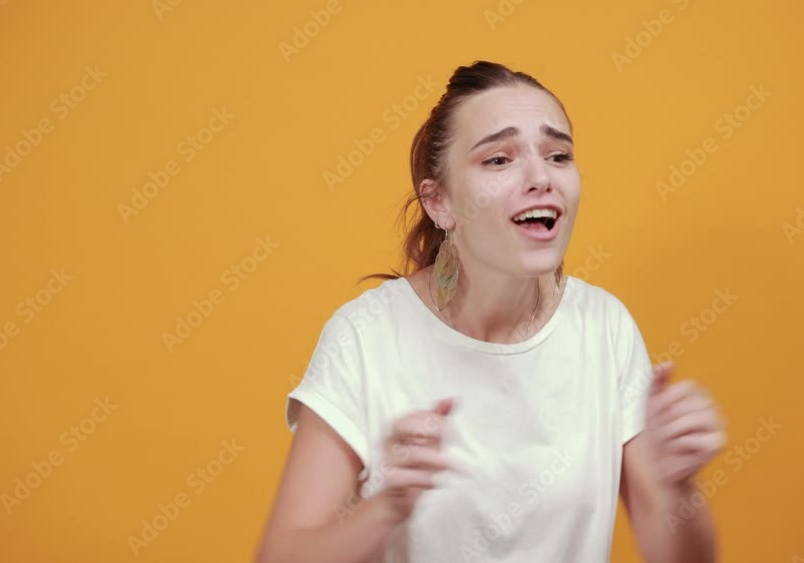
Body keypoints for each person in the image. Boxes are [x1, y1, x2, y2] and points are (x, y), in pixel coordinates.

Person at [255, 60, 726, 563]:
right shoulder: (366, 335)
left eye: (558, 155)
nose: (541, 177)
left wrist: (678, 486)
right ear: (439, 203)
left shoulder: (604, 328)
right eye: (499, 159)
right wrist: (386, 507)